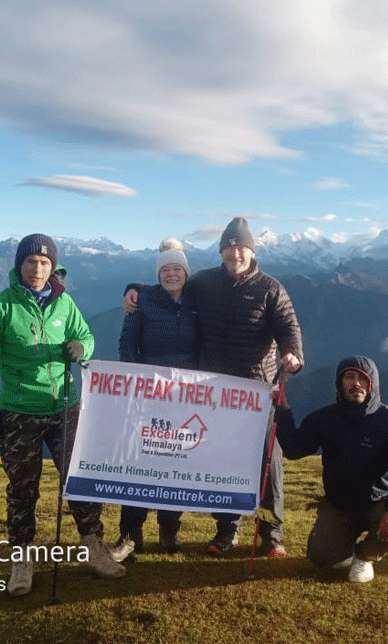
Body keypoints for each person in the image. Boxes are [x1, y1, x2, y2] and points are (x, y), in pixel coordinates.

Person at [125, 217, 303, 556]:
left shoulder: (270, 287)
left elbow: (288, 326)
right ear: (221, 250)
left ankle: (271, 534)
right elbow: (168, 286)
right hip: (215, 392)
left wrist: (293, 353)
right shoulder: (203, 282)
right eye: (229, 246)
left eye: (241, 246)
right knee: (222, 461)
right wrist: (133, 289)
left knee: (268, 461)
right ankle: (227, 530)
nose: (235, 252)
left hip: (257, 390)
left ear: (252, 250)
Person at [0, 233, 125, 597]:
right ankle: (22, 560)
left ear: (53, 267)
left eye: (44, 263)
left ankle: (93, 548)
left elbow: (86, 337)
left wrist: (81, 346)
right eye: (30, 262)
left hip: (64, 408)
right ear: (19, 266)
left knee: (80, 479)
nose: (37, 269)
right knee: (23, 490)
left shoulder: (65, 304)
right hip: (20, 412)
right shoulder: (1, 306)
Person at [273, 356, 388, 583]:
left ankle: (365, 556)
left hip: (376, 502)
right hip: (338, 505)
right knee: (322, 558)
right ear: (340, 384)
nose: (356, 383)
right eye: (350, 377)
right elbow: (294, 448)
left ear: (372, 385)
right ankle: (343, 545)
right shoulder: (325, 418)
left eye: (363, 378)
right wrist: (282, 410)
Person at [110, 238, 199, 561]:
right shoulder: (142, 300)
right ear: (157, 274)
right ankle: (130, 535)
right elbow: (126, 345)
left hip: (186, 394)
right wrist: (135, 382)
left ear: (186, 272)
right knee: (139, 462)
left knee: (175, 461)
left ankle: (168, 530)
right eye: (165, 269)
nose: (171, 274)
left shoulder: (197, 299)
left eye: (177, 268)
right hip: (148, 395)